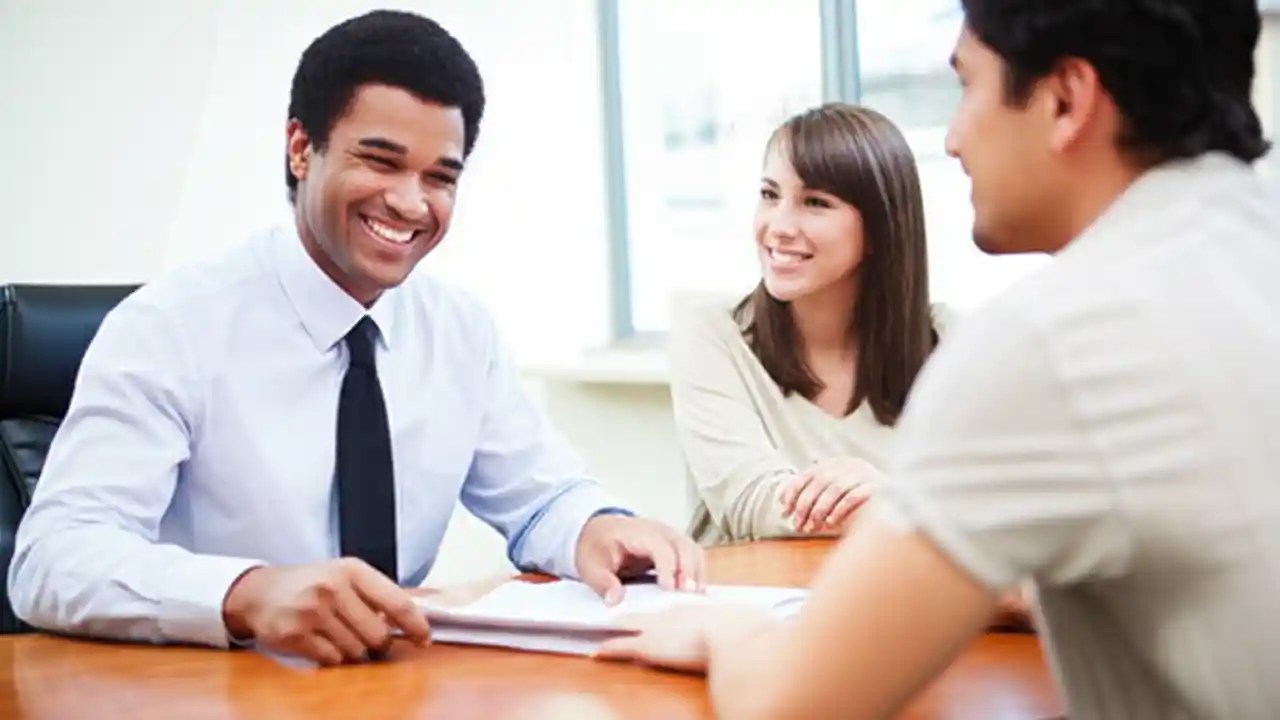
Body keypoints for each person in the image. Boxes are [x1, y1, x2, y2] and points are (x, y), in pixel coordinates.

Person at [596, 1, 1280, 718]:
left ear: (1066, 100)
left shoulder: (1049, 341)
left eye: (967, 86)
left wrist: (726, 631)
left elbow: (790, 705)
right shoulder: (1244, 261)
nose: (953, 140)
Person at [7, 10, 703, 667]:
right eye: (380, 161)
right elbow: (53, 560)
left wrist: (593, 527)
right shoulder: (171, 326)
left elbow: (541, 495)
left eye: (440, 177)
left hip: (386, 684)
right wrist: (247, 593)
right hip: (214, 684)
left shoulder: (457, 328)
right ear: (301, 148)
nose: (410, 202)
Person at [669, 104, 945, 547]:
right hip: (746, 606)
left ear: (880, 226)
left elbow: (992, 506)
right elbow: (751, 502)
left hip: (890, 605)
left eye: (815, 203)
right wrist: (892, 505)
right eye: (769, 194)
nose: (778, 226)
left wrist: (890, 498)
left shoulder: (948, 342)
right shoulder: (711, 334)